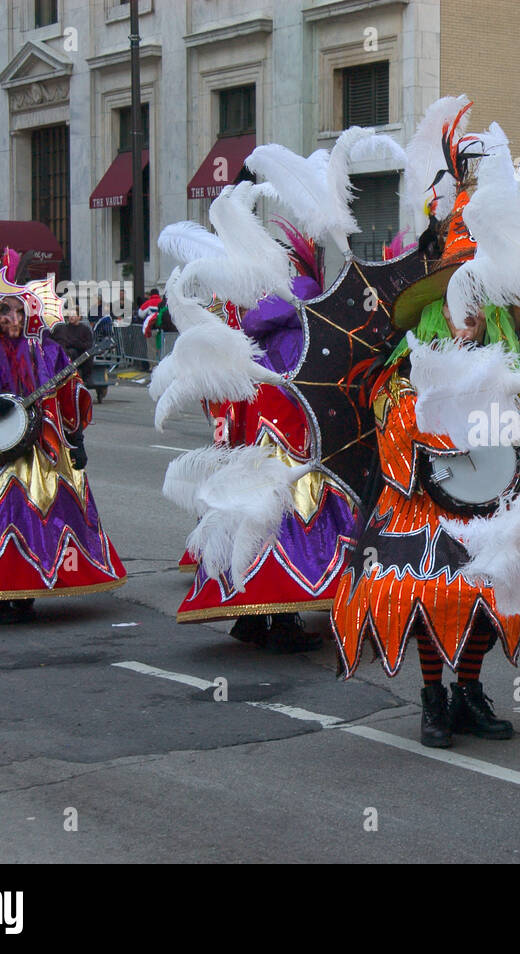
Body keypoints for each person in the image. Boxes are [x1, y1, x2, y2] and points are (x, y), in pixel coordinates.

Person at [329, 147, 520, 750]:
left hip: (493, 503)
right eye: (456, 298)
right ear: (437, 307)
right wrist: (431, 427)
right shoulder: (407, 371)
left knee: (499, 587)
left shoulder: (511, 365)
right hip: (423, 502)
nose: (466, 313)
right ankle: (432, 698)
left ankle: (469, 691)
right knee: (432, 591)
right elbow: (392, 423)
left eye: (477, 300)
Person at [0, 249, 127, 623]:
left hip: (41, 453)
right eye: (3, 312)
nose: (11, 319)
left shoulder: (48, 350)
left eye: (17, 311)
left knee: (41, 520)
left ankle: (29, 590)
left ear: (31, 311)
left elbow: (69, 395)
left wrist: (77, 443)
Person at [175, 229, 359, 652]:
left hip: (272, 424)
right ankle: (280, 615)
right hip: (286, 427)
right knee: (283, 516)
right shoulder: (287, 301)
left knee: (255, 514)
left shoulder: (255, 308)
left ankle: (252, 616)